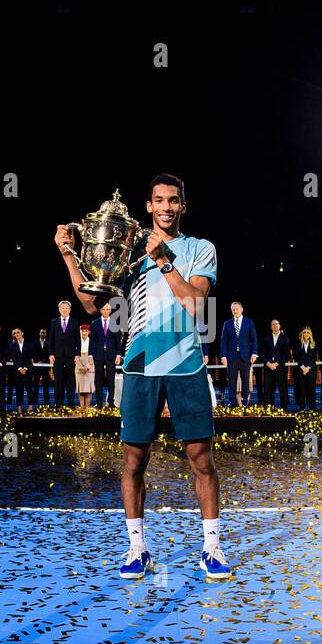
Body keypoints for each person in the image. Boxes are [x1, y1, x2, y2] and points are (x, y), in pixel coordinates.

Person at [55, 172, 230, 580]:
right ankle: (137, 548)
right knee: (133, 460)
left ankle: (212, 546)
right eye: (159, 200)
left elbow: (196, 303)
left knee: (200, 458)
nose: (166, 207)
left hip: (186, 364)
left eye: (173, 200)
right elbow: (88, 302)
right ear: (148, 207)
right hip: (139, 365)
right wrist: (68, 254)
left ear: (183, 206)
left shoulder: (200, 248)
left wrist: (164, 259)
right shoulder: (129, 252)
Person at [219, 301, 258, 407]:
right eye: (233, 309)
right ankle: (232, 403)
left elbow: (254, 339)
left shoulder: (249, 322)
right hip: (232, 357)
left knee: (245, 380)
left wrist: (254, 354)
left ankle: (245, 403)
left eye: (237, 309)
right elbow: (223, 341)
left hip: (245, 357)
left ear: (241, 309)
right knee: (232, 381)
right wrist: (223, 356)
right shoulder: (227, 324)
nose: (235, 311)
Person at [89, 302, 123, 408]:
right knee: (98, 379)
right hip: (98, 354)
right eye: (103, 309)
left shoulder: (115, 323)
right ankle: (99, 403)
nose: (105, 311)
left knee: (110, 379)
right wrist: (90, 355)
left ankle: (111, 402)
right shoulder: (94, 323)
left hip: (111, 355)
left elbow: (118, 341)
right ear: (100, 310)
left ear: (110, 310)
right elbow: (92, 341)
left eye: (108, 309)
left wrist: (118, 355)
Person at [48, 300, 80, 407]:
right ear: (59, 309)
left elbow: (78, 340)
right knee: (58, 381)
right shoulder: (54, 322)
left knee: (71, 381)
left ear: (70, 309)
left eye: (66, 308)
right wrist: (51, 354)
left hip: (71, 356)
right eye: (62, 308)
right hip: (58, 356)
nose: (64, 310)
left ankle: (70, 404)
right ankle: (58, 404)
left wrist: (77, 354)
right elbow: (51, 339)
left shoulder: (75, 322)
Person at [259, 318, 290, 409]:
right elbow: (262, 353)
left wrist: (276, 363)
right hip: (268, 368)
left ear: (279, 326)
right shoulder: (266, 338)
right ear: (271, 327)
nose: (275, 325)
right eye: (273, 324)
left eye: (276, 324)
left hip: (280, 368)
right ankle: (268, 409)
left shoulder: (285, 338)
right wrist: (268, 363)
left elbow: (286, 354)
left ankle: (284, 410)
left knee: (282, 389)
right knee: (268, 389)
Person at [9, 327, 34, 412]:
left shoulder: (29, 344)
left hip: (28, 370)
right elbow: (14, 359)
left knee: (29, 389)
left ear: (22, 333)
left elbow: (30, 358)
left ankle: (30, 406)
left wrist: (25, 368)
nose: (16, 334)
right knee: (19, 389)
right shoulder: (12, 345)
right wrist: (19, 368)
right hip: (17, 371)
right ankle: (19, 407)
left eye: (18, 332)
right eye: (15, 333)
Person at [294, 326, 317, 411]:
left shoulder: (314, 344)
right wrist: (303, 368)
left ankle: (312, 408)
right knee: (302, 390)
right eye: (304, 332)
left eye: (308, 332)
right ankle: (302, 408)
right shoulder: (298, 344)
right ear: (302, 334)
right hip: (301, 370)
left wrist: (308, 368)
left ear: (310, 334)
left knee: (311, 389)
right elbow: (297, 357)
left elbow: (314, 358)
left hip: (311, 370)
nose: (306, 334)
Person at [75, 323, 96, 409]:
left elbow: (94, 353)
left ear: (89, 332)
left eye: (86, 331)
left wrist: (88, 366)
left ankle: (87, 407)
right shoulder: (76, 341)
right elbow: (74, 354)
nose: (84, 332)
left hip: (89, 362)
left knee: (88, 389)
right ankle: (82, 407)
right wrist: (79, 365)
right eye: (82, 331)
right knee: (81, 389)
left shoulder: (92, 341)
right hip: (79, 362)